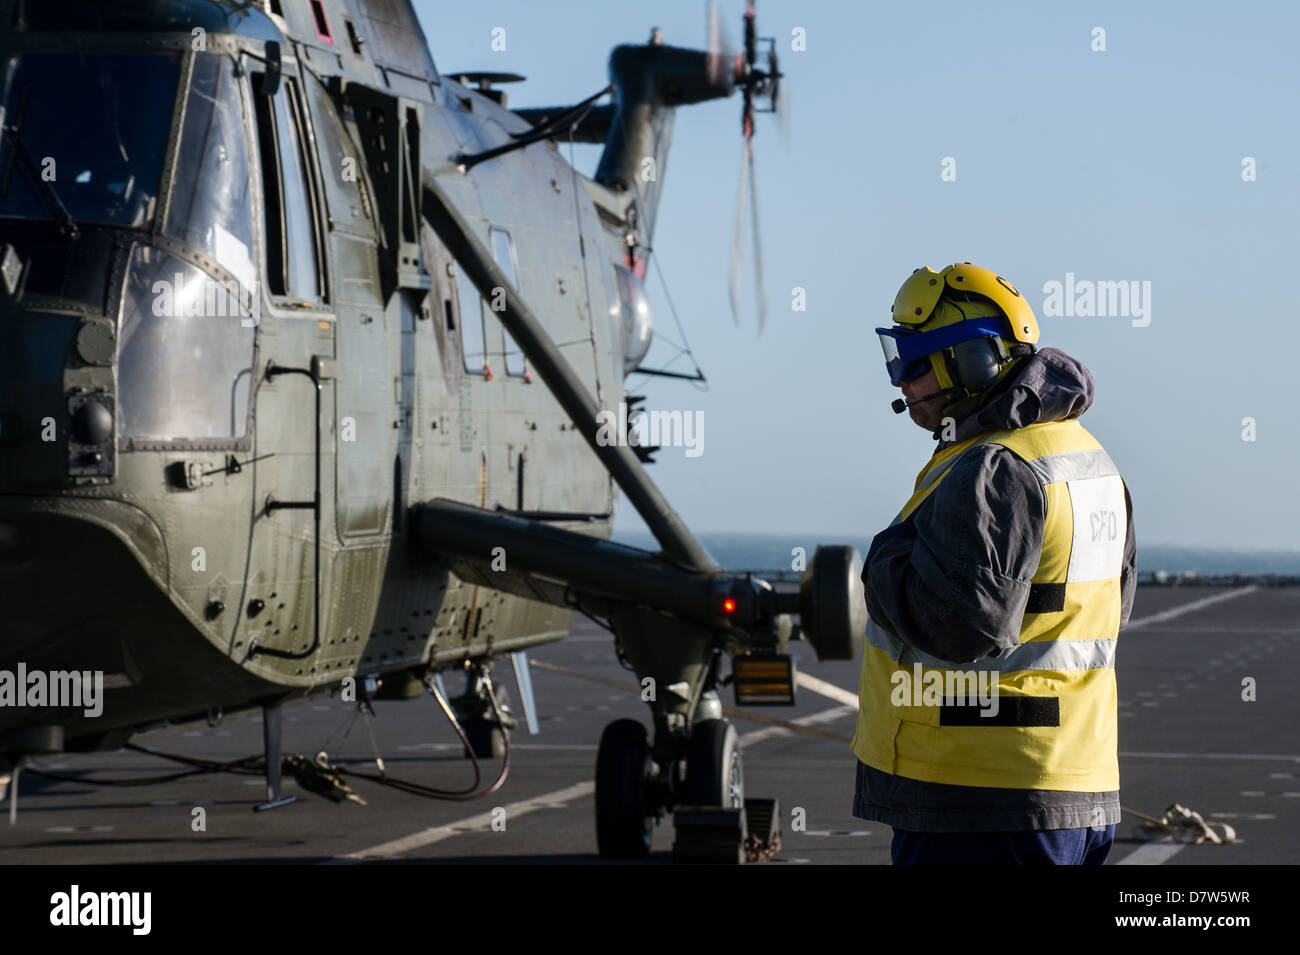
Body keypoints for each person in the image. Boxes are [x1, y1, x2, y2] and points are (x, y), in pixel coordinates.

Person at [850, 263, 1136, 865]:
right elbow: (1109, 610)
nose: (901, 379)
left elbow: (962, 623)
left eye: (916, 361)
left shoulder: (995, 467)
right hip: (1074, 785)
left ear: (973, 361)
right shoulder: (1088, 459)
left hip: (982, 800)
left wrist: (880, 562)